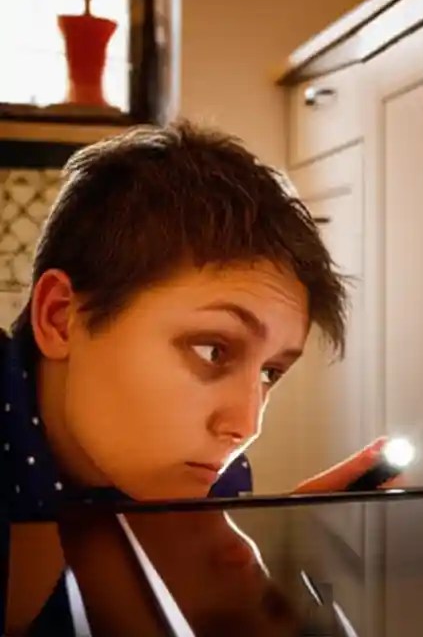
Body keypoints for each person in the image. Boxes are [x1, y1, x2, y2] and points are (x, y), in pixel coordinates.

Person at [0, 121, 398, 517]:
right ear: (60, 316)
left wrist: (267, 551)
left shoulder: (213, 476)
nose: (244, 426)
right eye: (213, 351)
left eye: (269, 374)